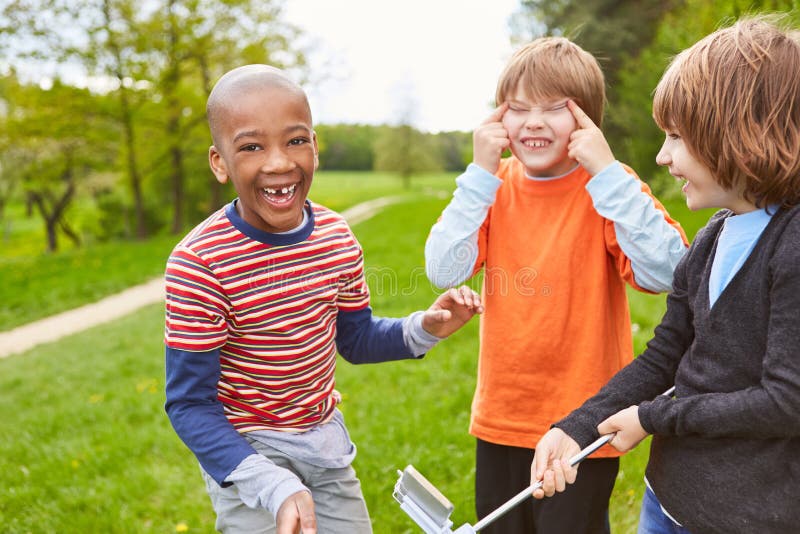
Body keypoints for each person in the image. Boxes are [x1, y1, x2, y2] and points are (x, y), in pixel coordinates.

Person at [163, 64, 484, 534]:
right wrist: (270, 483)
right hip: (248, 453)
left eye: (295, 141)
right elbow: (190, 405)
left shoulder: (334, 236)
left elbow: (355, 338)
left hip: (325, 445)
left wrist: (423, 328)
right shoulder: (199, 262)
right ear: (219, 162)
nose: (278, 163)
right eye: (251, 147)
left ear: (315, 146)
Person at [531, 16, 800, 534]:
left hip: (750, 517)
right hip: (666, 500)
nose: (662, 157)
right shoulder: (711, 238)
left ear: (739, 135)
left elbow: (785, 402)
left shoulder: (790, 245)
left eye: (676, 138)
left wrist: (653, 420)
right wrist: (578, 425)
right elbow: (665, 355)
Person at [424, 36, 688, 533]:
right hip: (501, 417)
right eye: (518, 108)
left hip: (583, 425)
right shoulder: (493, 185)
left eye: (554, 108)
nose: (534, 122)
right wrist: (480, 173)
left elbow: (669, 272)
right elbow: (443, 269)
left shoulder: (611, 187)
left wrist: (606, 172)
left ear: (587, 121)